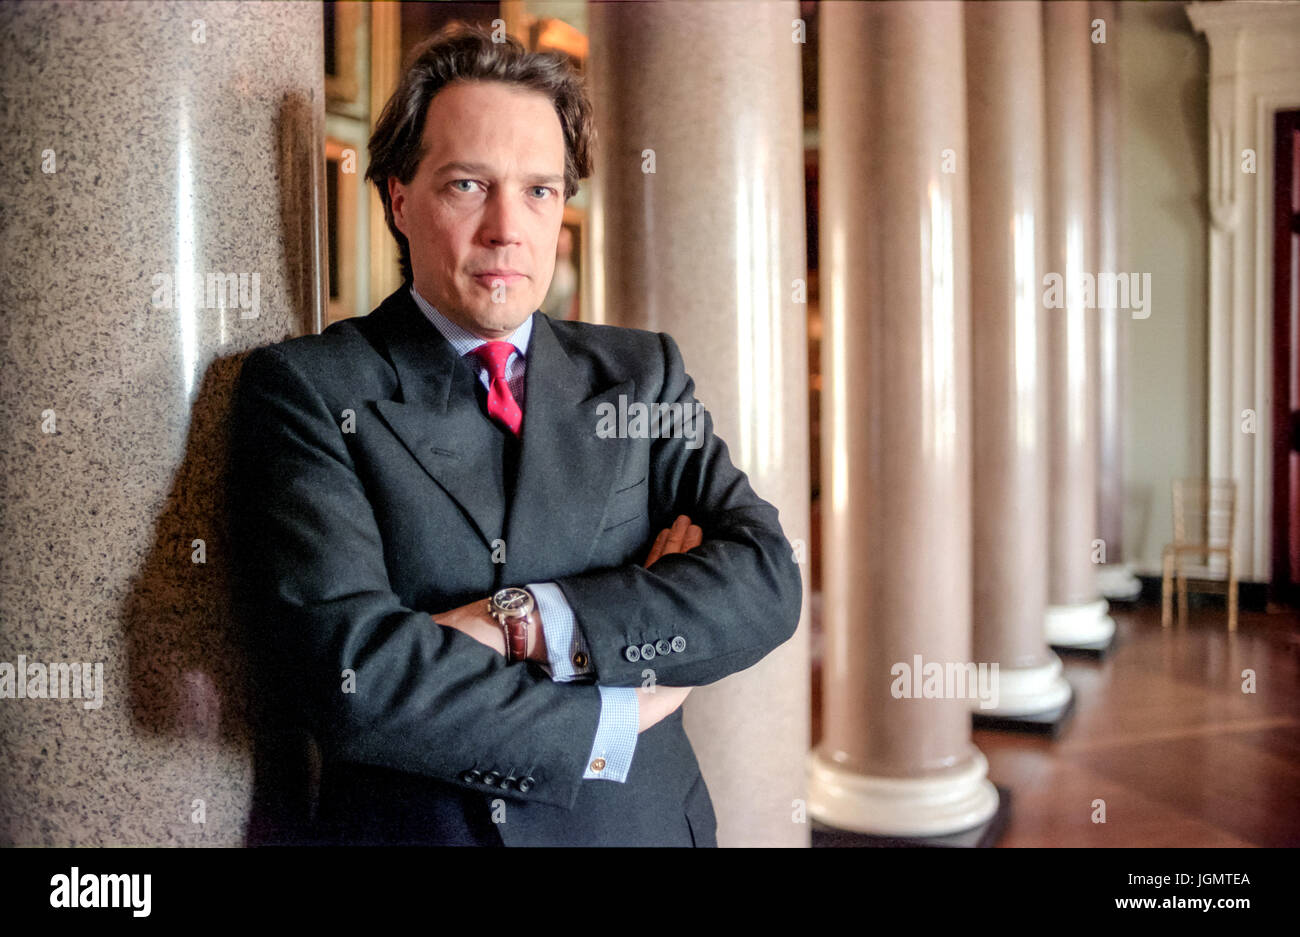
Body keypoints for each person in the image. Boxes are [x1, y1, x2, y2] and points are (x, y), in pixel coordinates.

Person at [227, 23, 801, 847]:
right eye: (467, 185)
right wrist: (621, 702)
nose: (508, 228)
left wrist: (523, 620)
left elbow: (764, 582)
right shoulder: (310, 389)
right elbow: (358, 682)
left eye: (539, 190)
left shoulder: (641, 373)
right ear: (398, 197)